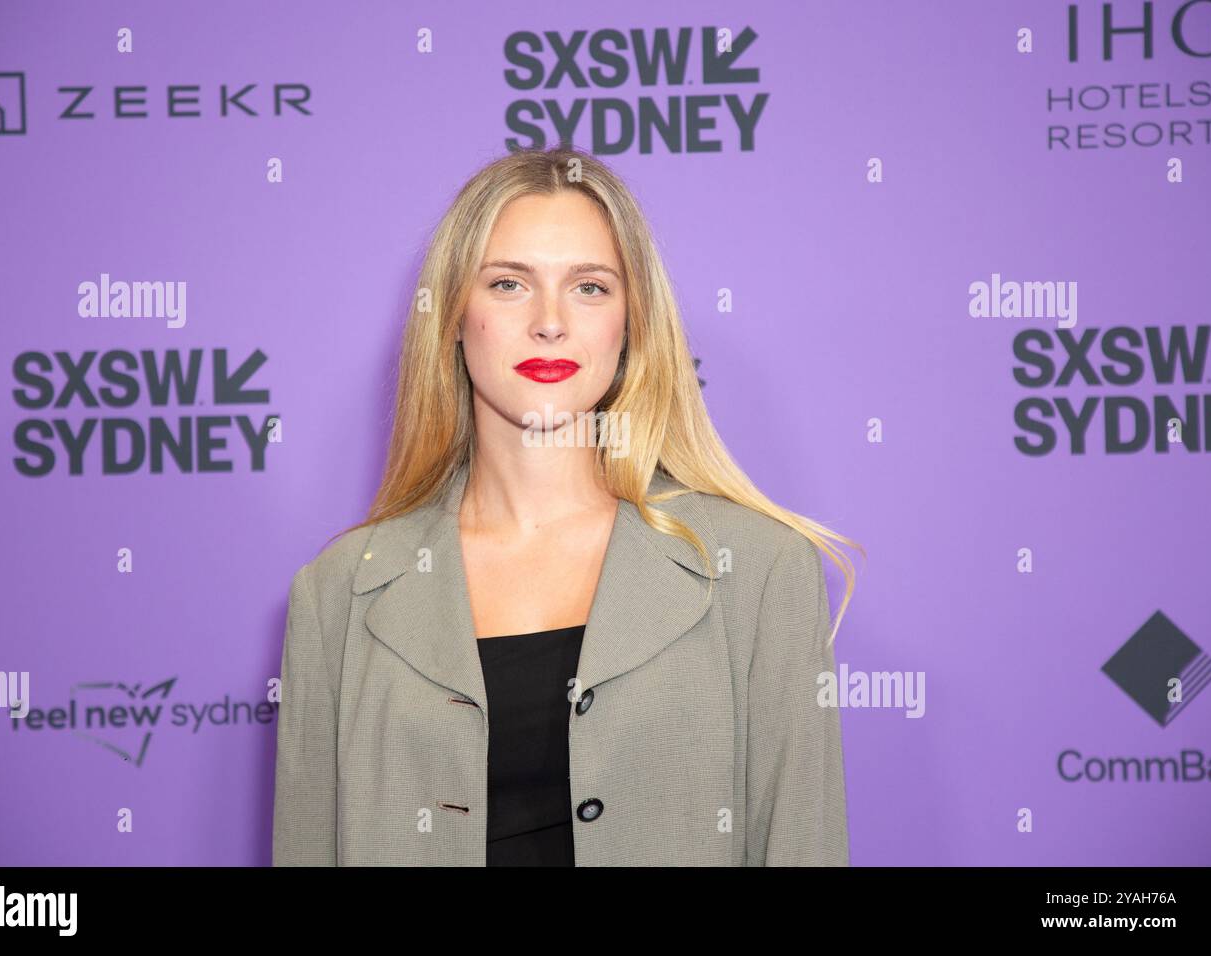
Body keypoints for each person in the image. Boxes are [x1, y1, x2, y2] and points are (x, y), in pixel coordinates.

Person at [272, 145, 862, 866]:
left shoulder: (759, 574)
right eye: (509, 284)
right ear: (453, 314)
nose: (550, 322)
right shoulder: (337, 594)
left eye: (589, 287)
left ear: (631, 321)